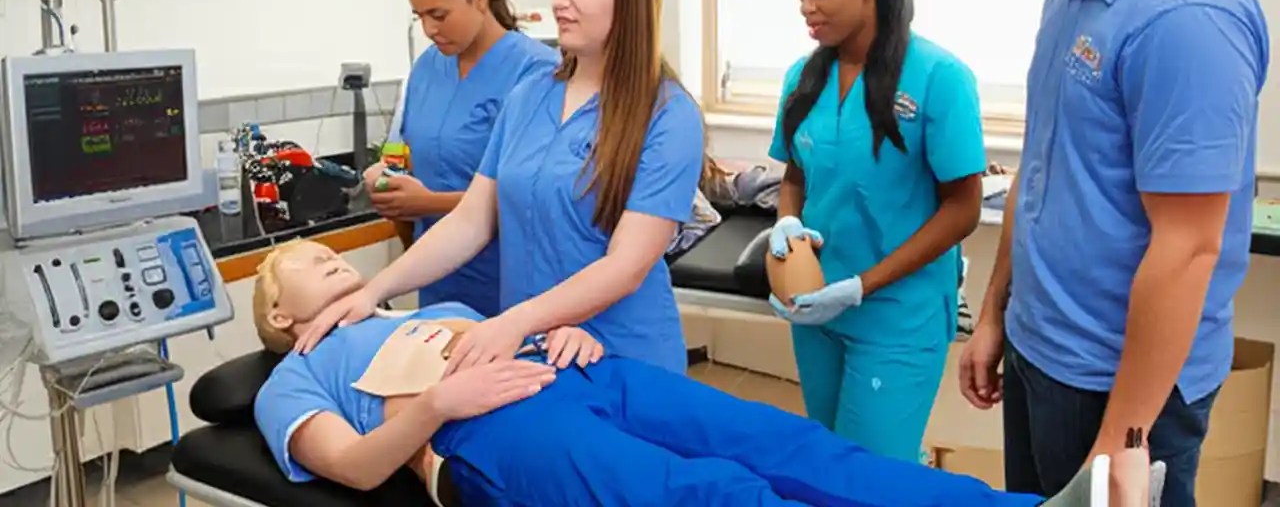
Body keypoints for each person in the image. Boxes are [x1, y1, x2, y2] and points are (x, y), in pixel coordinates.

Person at [252, 239, 1163, 506]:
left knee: (788, 442)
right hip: (483, 427)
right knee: (707, 494)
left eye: (341, 261)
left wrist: (562, 339)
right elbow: (359, 467)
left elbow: (510, 331)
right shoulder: (290, 383)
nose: (341, 268)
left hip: (573, 373)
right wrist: (439, 403)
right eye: (317, 269)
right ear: (282, 315)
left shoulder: (431, 310)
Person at [959, 0, 1270, 505]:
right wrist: (997, 310)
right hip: (1043, 349)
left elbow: (1189, 248)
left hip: (1119, 385)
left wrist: (1121, 441)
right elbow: (1042, 170)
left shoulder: (1187, 10)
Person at [295, 0, 706, 376]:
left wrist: (512, 322)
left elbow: (627, 266)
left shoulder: (668, 114)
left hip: (625, 354)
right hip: (532, 352)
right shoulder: (531, 95)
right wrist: (373, 290)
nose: (559, 0)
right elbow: (472, 220)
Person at [765, 0, 988, 462]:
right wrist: (787, 223)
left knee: (874, 476)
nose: (806, 8)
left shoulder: (940, 77)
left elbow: (963, 209)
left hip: (898, 315)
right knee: (829, 466)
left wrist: (864, 285)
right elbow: (795, 176)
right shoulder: (803, 77)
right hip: (817, 309)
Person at [366, 0, 560, 317]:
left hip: (511, 284)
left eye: (439, 15)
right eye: (418, 16)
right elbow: (401, 152)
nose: (429, 29)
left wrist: (428, 203)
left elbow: (539, 200)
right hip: (439, 280)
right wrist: (386, 181)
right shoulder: (426, 69)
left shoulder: (535, 73)